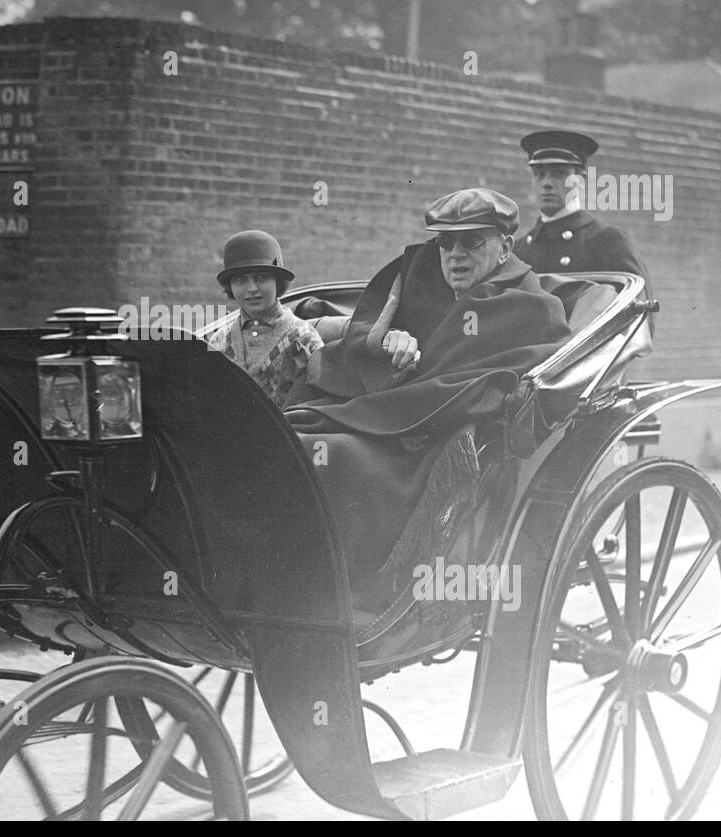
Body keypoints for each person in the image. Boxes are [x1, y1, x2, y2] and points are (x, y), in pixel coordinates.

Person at [285, 188, 571, 587]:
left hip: (432, 441)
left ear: (504, 247)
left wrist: (397, 389)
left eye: (472, 241)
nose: (455, 254)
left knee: (327, 457)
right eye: (445, 242)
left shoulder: (532, 308)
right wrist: (388, 344)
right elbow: (362, 340)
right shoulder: (423, 281)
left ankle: (338, 589)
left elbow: (488, 385)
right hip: (387, 418)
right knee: (281, 438)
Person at [512, 130, 652, 292]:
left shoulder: (607, 241)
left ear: (580, 180)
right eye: (539, 174)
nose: (546, 183)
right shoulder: (518, 250)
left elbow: (638, 305)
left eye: (558, 174)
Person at [204, 229, 322, 408]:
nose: (251, 288)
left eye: (261, 278)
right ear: (230, 286)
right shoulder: (219, 340)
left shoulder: (303, 336)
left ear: (277, 282)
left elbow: (319, 402)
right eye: (240, 280)